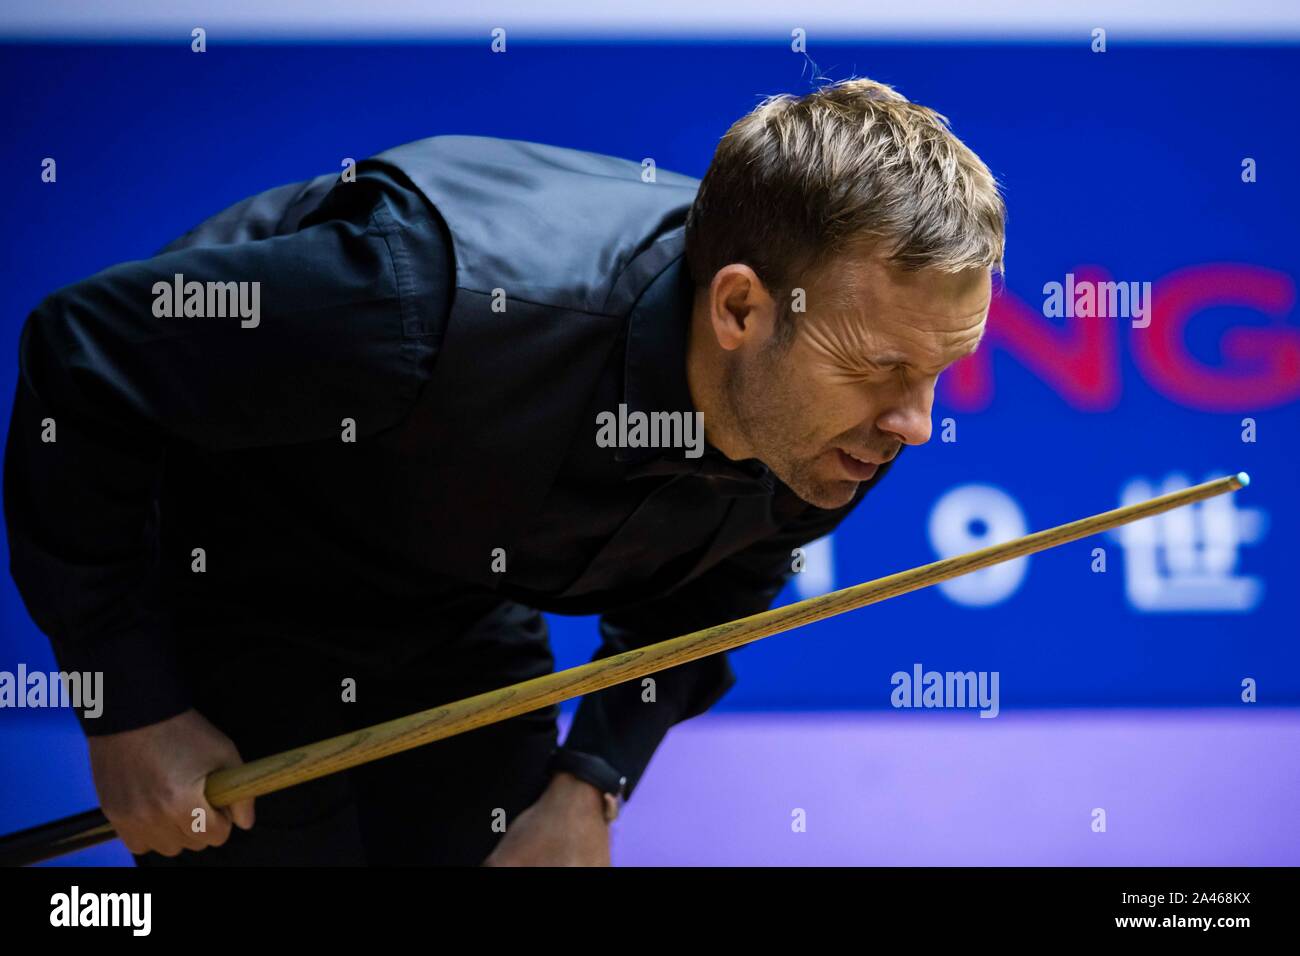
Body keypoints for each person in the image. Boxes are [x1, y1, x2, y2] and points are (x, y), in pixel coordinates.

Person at [4, 76, 1003, 865]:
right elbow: (85, 352)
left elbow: (723, 588)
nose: (916, 425)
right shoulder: (415, 304)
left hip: (456, 594)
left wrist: (591, 780)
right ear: (740, 311)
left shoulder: (832, 423)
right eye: (884, 370)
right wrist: (129, 700)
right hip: (223, 579)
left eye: (939, 373)